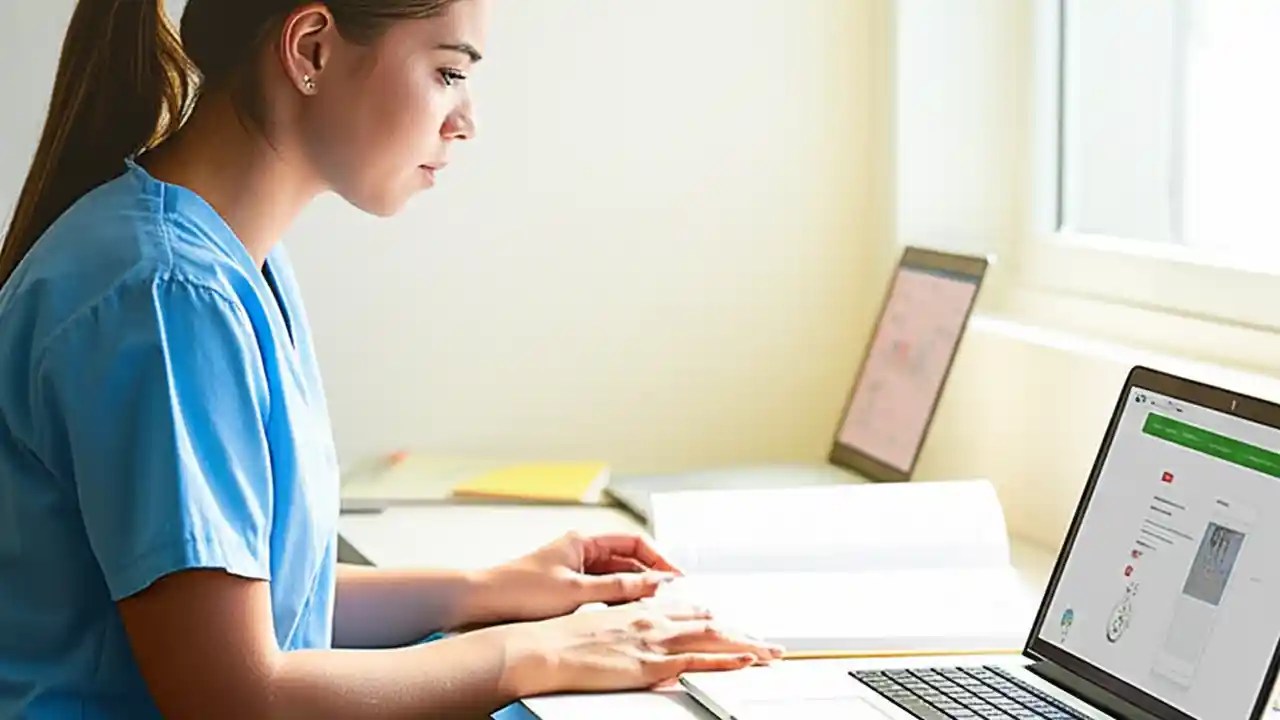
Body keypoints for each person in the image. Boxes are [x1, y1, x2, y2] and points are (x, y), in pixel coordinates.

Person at [0, 1, 781, 717]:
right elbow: (234, 694)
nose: (466, 121)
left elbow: (255, 607)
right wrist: (537, 651)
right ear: (311, 48)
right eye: (448, 72)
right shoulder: (167, 296)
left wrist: (488, 591)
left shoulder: (230, 265)